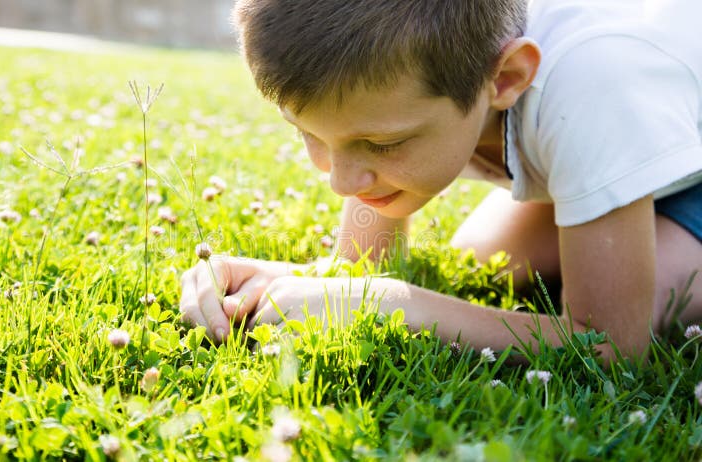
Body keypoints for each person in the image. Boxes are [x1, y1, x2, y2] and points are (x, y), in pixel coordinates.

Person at [179, 0, 702, 360]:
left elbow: (609, 347)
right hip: (621, 136)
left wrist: (389, 304)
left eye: (381, 145)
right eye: (308, 133)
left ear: (505, 78)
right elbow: (362, 268)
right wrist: (270, 285)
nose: (340, 181)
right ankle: (617, 192)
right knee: (488, 265)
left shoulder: (593, 83)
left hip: (656, 144)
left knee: (643, 307)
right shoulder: (421, 78)